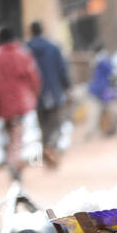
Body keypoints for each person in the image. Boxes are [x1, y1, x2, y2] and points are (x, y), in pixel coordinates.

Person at [0, 26, 41, 179]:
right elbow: (34, 79)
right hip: (22, 104)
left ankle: (12, 162)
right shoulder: (23, 55)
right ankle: (15, 163)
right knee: (18, 135)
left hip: (4, 107)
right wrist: (33, 98)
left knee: (11, 135)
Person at [26, 21, 70, 167]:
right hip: (54, 92)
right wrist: (67, 86)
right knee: (56, 124)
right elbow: (62, 69)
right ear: (42, 30)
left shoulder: (26, 50)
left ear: (31, 31)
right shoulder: (53, 48)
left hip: (35, 95)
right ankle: (51, 147)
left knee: (42, 125)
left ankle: (46, 148)